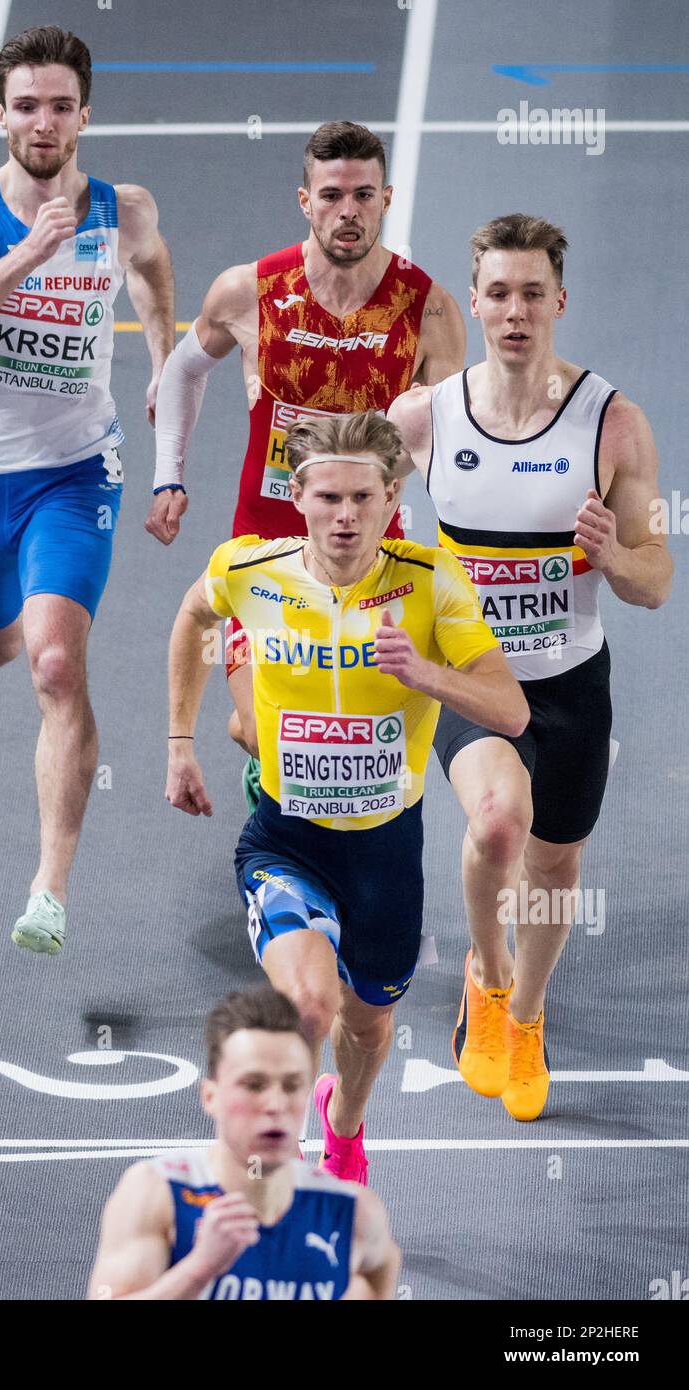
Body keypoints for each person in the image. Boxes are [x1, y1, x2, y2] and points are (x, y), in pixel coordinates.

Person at [164, 410, 528, 1183]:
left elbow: (511, 711)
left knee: (368, 1026)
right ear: (297, 495)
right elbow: (197, 615)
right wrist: (178, 742)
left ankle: (343, 1128)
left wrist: (426, 674)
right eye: (328, 497)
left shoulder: (432, 584)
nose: (346, 517)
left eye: (364, 498)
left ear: (392, 496)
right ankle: (269, 1161)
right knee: (308, 1006)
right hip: (285, 839)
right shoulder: (249, 571)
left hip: (385, 852)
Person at [388, 213, 672, 1120]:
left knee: (555, 867)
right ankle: (488, 976)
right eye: (498, 293)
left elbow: (657, 579)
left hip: (572, 683)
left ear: (560, 301)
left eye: (532, 294)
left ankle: (529, 1019)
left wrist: (613, 556)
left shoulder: (614, 425)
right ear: (473, 303)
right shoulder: (424, 419)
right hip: (477, 677)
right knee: (500, 825)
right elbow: (348, 520)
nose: (515, 311)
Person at [0, 25, 174, 954]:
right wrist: (27, 256)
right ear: (2, 114)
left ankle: (48, 891)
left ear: (84, 115)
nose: (44, 121)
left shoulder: (122, 208)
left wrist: (162, 358)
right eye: (27, 105)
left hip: (74, 474)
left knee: (55, 665)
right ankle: (13, 600)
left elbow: (148, 273)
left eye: (60, 105)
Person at [147, 121, 465, 809]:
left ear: (386, 198)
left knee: (354, 741)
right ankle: (259, 767)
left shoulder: (429, 310)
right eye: (331, 196)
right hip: (265, 537)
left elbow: (447, 440)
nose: (347, 211)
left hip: (370, 544)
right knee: (277, 741)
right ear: (304, 200)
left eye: (363, 195)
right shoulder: (248, 292)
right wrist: (168, 475)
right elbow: (182, 372)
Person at [87, 984, 400, 1300]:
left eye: (292, 1085)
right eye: (254, 1085)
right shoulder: (159, 1195)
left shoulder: (352, 1213)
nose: (275, 1104)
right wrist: (199, 1269)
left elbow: (379, 1271)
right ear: (211, 1097)